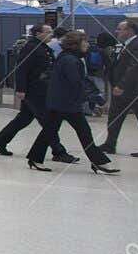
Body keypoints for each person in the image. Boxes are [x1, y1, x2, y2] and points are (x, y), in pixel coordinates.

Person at [26, 30, 118, 174]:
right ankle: (99, 162)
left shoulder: (70, 58)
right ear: (76, 44)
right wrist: (98, 99)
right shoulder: (70, 60)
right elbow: (79, 82)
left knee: (51, 131)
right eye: (85, 41)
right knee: (73, 132)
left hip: (64, 102)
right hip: (64, 103)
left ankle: (35, 158)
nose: (87, 44)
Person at [0, 24, 74, 162]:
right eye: (47, 32)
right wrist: (21, 89)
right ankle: (58, 151)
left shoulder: (41, 47)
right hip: (34, 91)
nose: (51, 34)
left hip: (39, 90)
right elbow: (22, 69)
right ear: (38, 34)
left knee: (22, 119)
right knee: (48, 122)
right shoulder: (31, 48)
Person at [99, 19, 138, 158]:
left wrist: (121, 85)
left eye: (120, 29)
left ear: (129, 31)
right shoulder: (124, 46)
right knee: (114, 118)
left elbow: (135, 67)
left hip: (136, 91)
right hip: (124, 91)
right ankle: (110, 144)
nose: (117, 31)